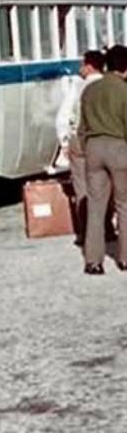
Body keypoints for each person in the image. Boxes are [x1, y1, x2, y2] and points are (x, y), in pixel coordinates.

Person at [79, 45, 127, 275]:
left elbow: (82, 127)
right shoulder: (124, 90)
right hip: (119, 147)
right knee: (124, 205)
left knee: (96, 208)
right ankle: (125, 258)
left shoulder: (90, 90)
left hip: (94, 147)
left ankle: (93, 261)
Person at [57, 50, 106, 238]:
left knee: (82, 186)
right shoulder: (112, 84)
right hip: (106, 141)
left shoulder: (78, 87)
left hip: (80, 140)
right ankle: (107, 228)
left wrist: (64, 140)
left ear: (89, 66)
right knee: (104, 186)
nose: (80, 68)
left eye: (82, 64)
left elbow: (64, 116)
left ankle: (87, 229)